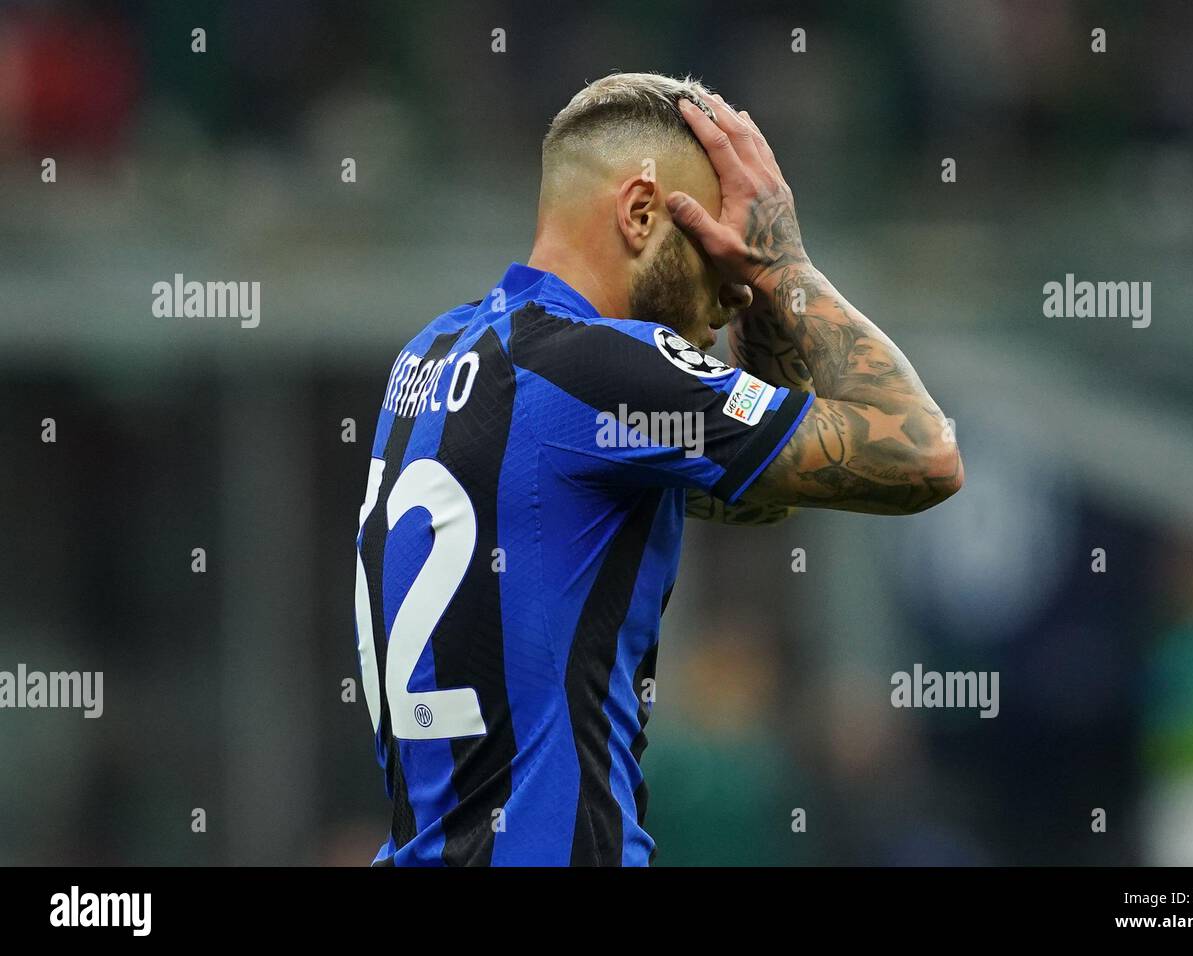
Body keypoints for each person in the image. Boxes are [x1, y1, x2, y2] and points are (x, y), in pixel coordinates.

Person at [353, 72, 963, 866]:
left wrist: (752, 297)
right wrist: (785, 263)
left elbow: (760, 501)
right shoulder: (599, 369)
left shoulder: (433, 355)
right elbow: (922, 453)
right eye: (712, 257)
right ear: (642, 212)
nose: (726, 302)